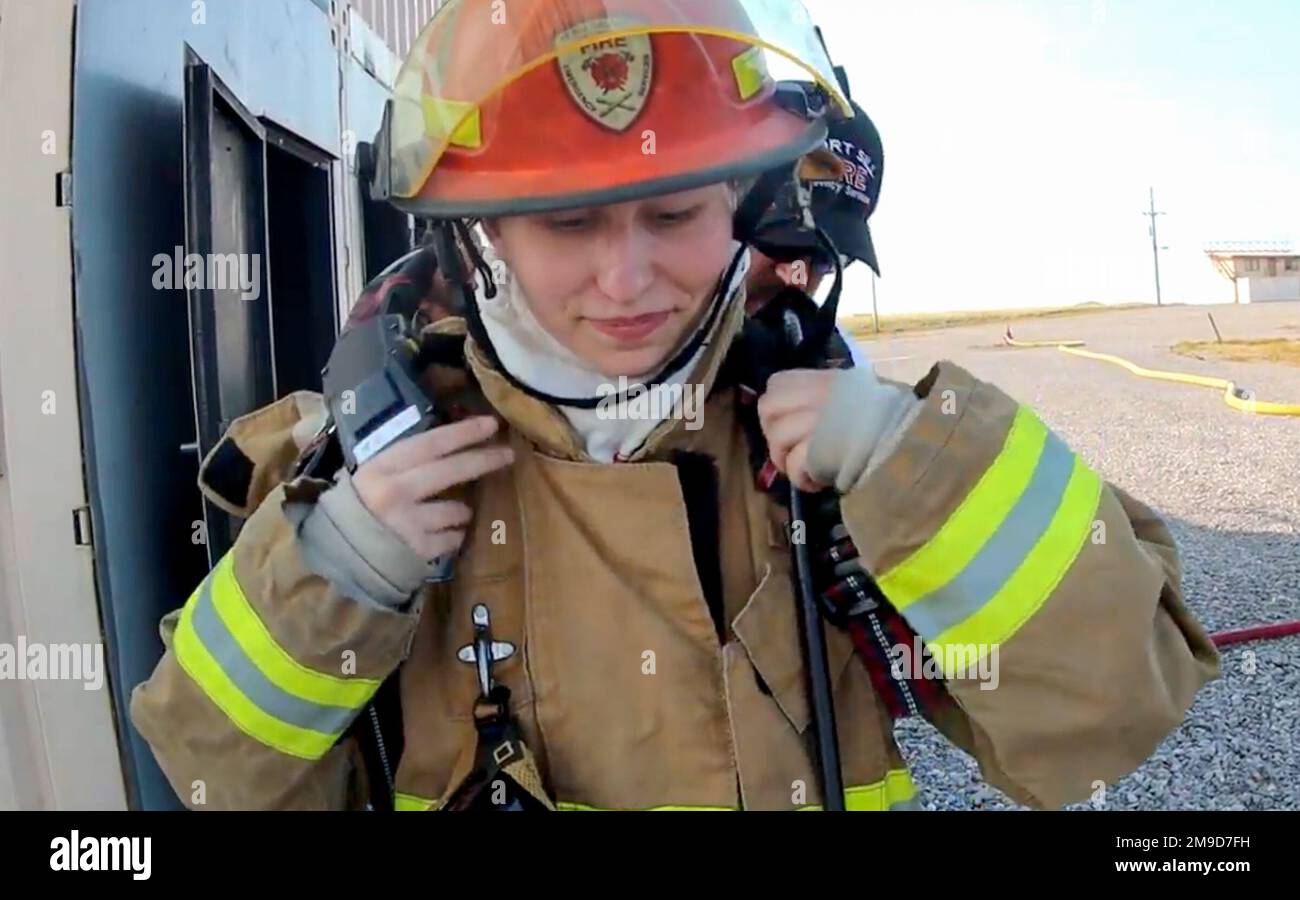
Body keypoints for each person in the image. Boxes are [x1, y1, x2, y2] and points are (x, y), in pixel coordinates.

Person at [129, 0, 1220, 811]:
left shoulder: (841, 452)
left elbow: (1106, 720)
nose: (626, 280)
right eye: (567, 224)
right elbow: (211, 774)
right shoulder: (371, 465)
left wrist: (919, 473)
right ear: (484, 233)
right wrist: (337, 574)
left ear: (744, 205)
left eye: (672, 213)